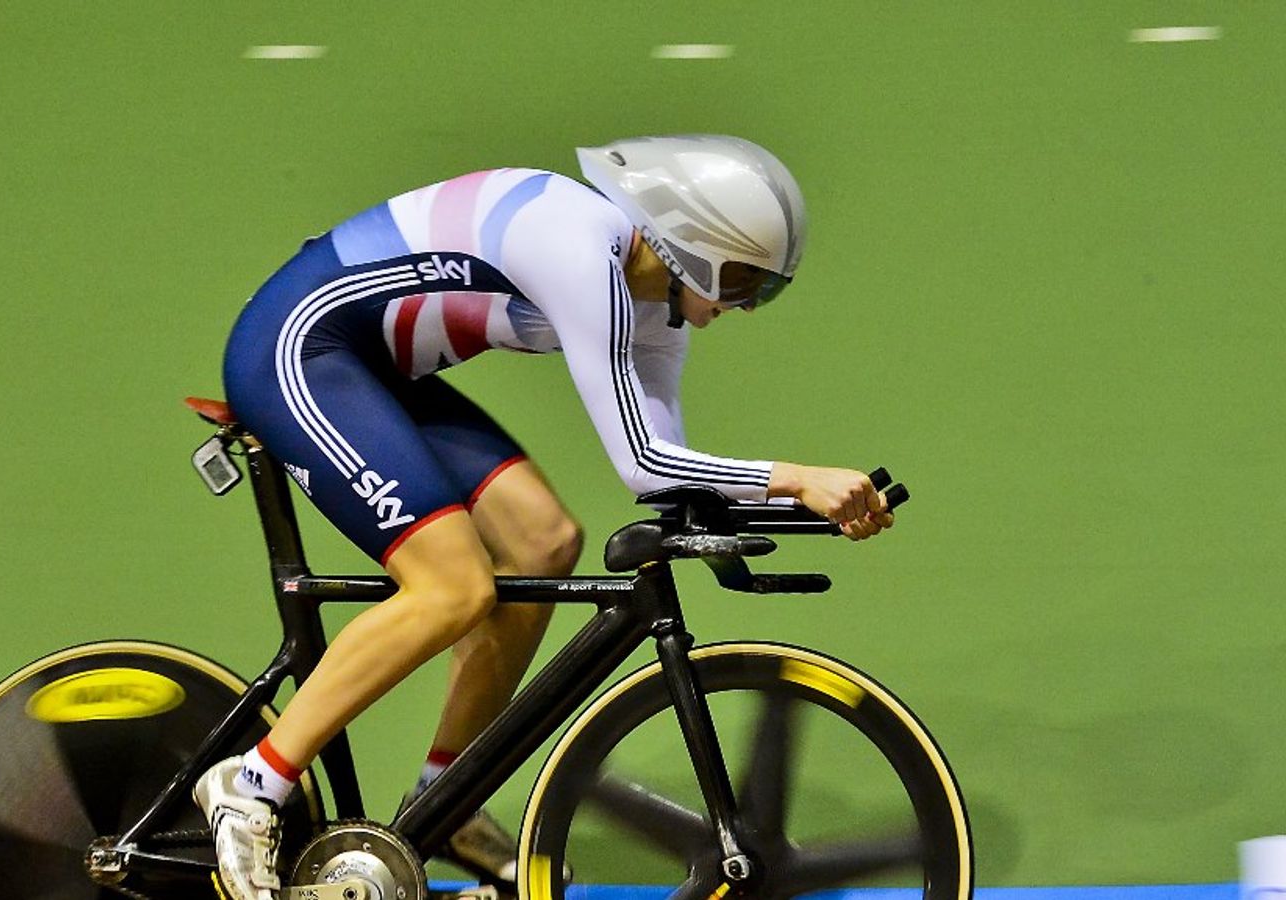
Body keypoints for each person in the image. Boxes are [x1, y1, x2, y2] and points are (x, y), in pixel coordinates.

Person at [193, 134, 895, 900]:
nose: (742, 306)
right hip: (300, 348)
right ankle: (253, 784)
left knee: (545, 542)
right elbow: (644, 463)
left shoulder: (655, 308)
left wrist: (810, 510)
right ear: (694, 242)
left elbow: (668, 473)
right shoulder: (575, 243)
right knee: (452, 588)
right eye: (744, 281)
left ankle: (445, 800)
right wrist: (797, 479)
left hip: (375, 372)